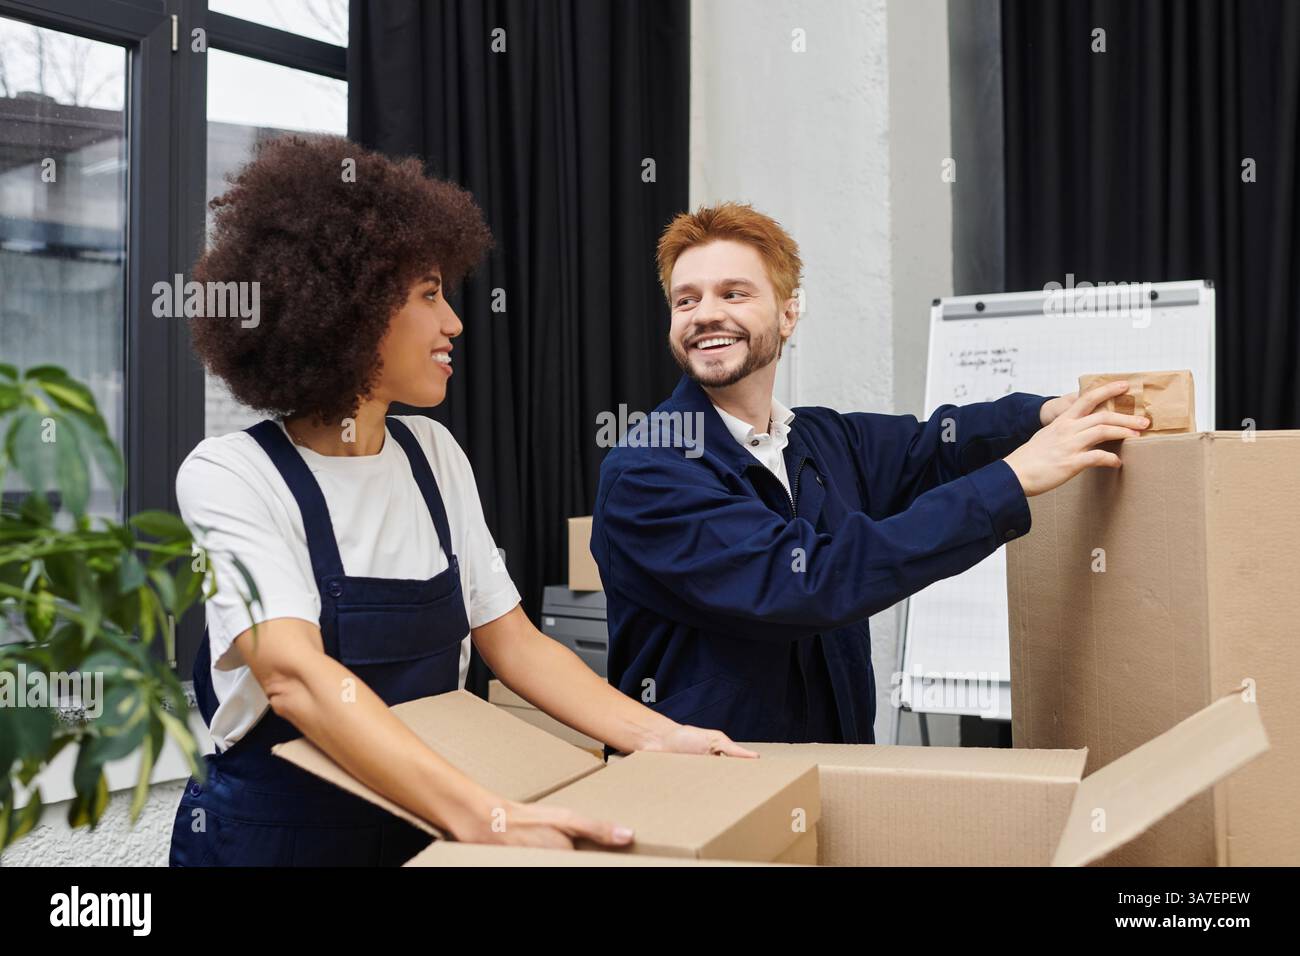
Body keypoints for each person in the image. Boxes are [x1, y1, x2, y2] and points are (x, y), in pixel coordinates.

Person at [168, 136, 752, 867]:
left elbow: (513, 643)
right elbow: (295, 678)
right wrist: (487, 815)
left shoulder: (434, 456)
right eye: (427, 294)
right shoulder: (231, 474)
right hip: (276, 835)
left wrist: (658, 736)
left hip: (421, 824)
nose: (454, 322)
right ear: (348, 310)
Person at [590, 201, 1150, 744]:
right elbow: (806, 584)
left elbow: (937, 444)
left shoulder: (820, 439)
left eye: (734, 293)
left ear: (789, 314)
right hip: (709, 797)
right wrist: (1012, 478)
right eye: (686, 300)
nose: (707, 313)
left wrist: (1041, 413)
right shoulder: (648, 472)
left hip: (834, 775)